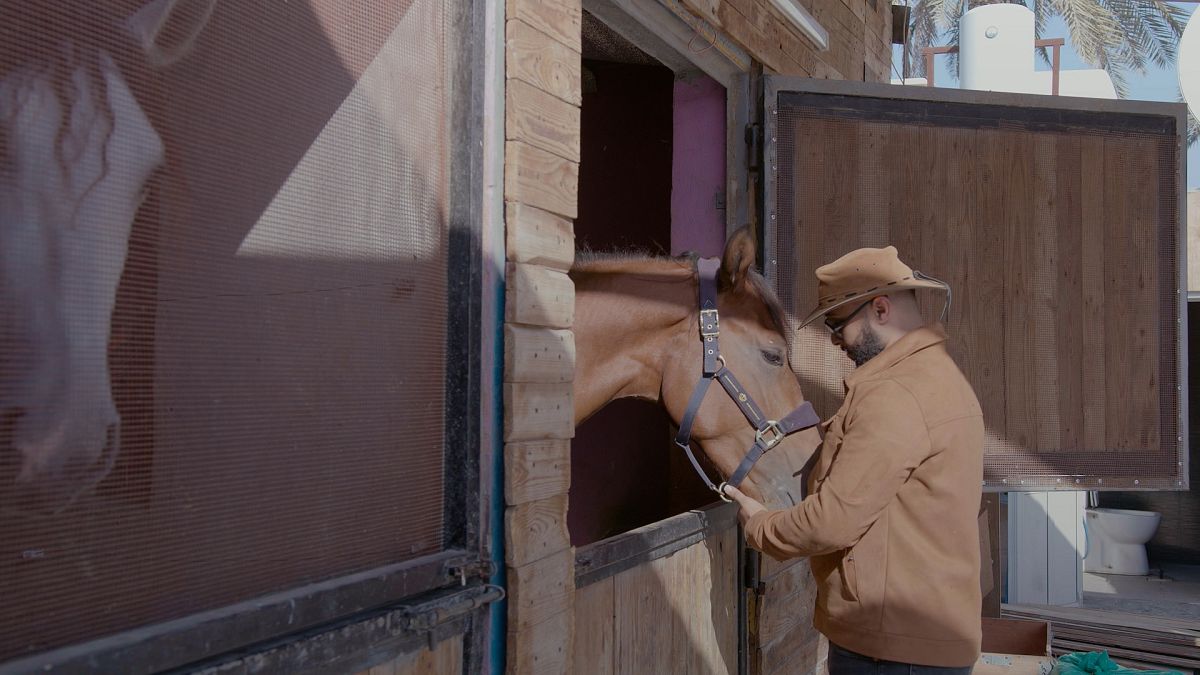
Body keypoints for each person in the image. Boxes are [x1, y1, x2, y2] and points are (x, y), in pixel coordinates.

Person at [723, 246, 985, 673]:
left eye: (836, 325)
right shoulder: (936, 377)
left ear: (880, 308)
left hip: (891, 653)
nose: (835, 340)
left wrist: (759, 526)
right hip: (919, 640)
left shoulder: (896, 394)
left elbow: (832, 521)